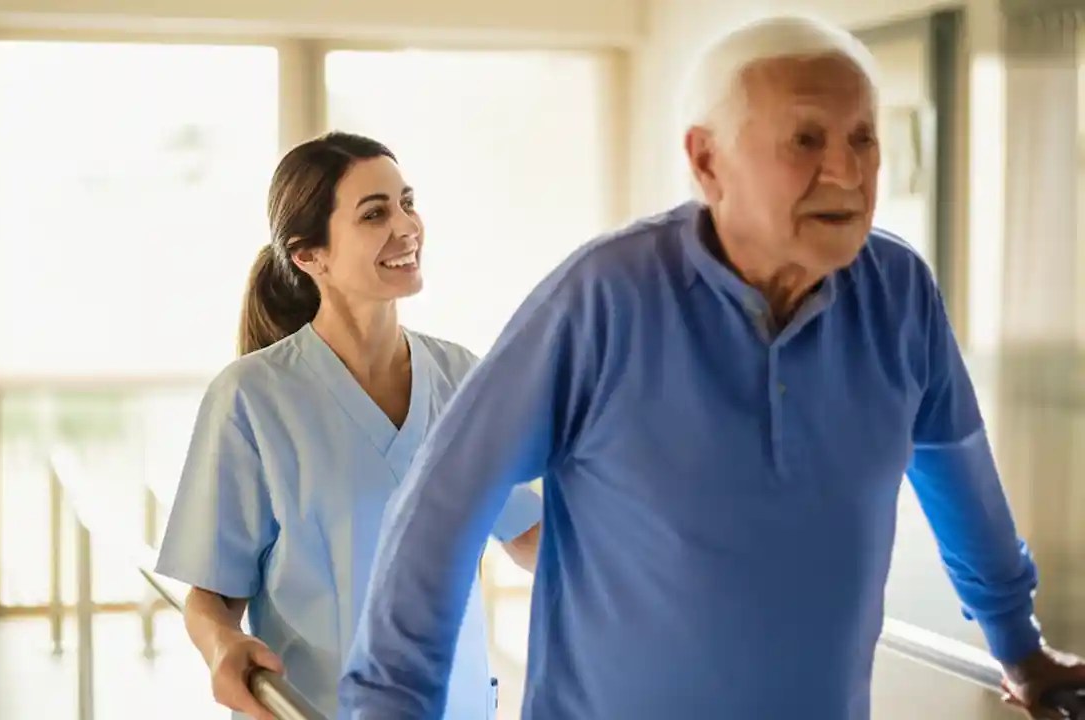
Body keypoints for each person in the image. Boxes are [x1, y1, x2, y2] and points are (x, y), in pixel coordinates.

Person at [339, 16, 1085, 720]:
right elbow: (444, 506)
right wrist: (392, 706)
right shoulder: (605, 298)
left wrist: (1017, 644)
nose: (848, 171)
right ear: (706, 159)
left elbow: (962, 477)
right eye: (806, 139)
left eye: (864, 138)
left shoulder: (898, 294)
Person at [155, 131, 542, 720]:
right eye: (375, 213)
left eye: (407, 202)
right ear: (311, 255)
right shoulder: (251, 398)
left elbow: (532, 538)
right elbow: (212, 590)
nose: (406, 226)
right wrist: (222, 647)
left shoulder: (461, 377)